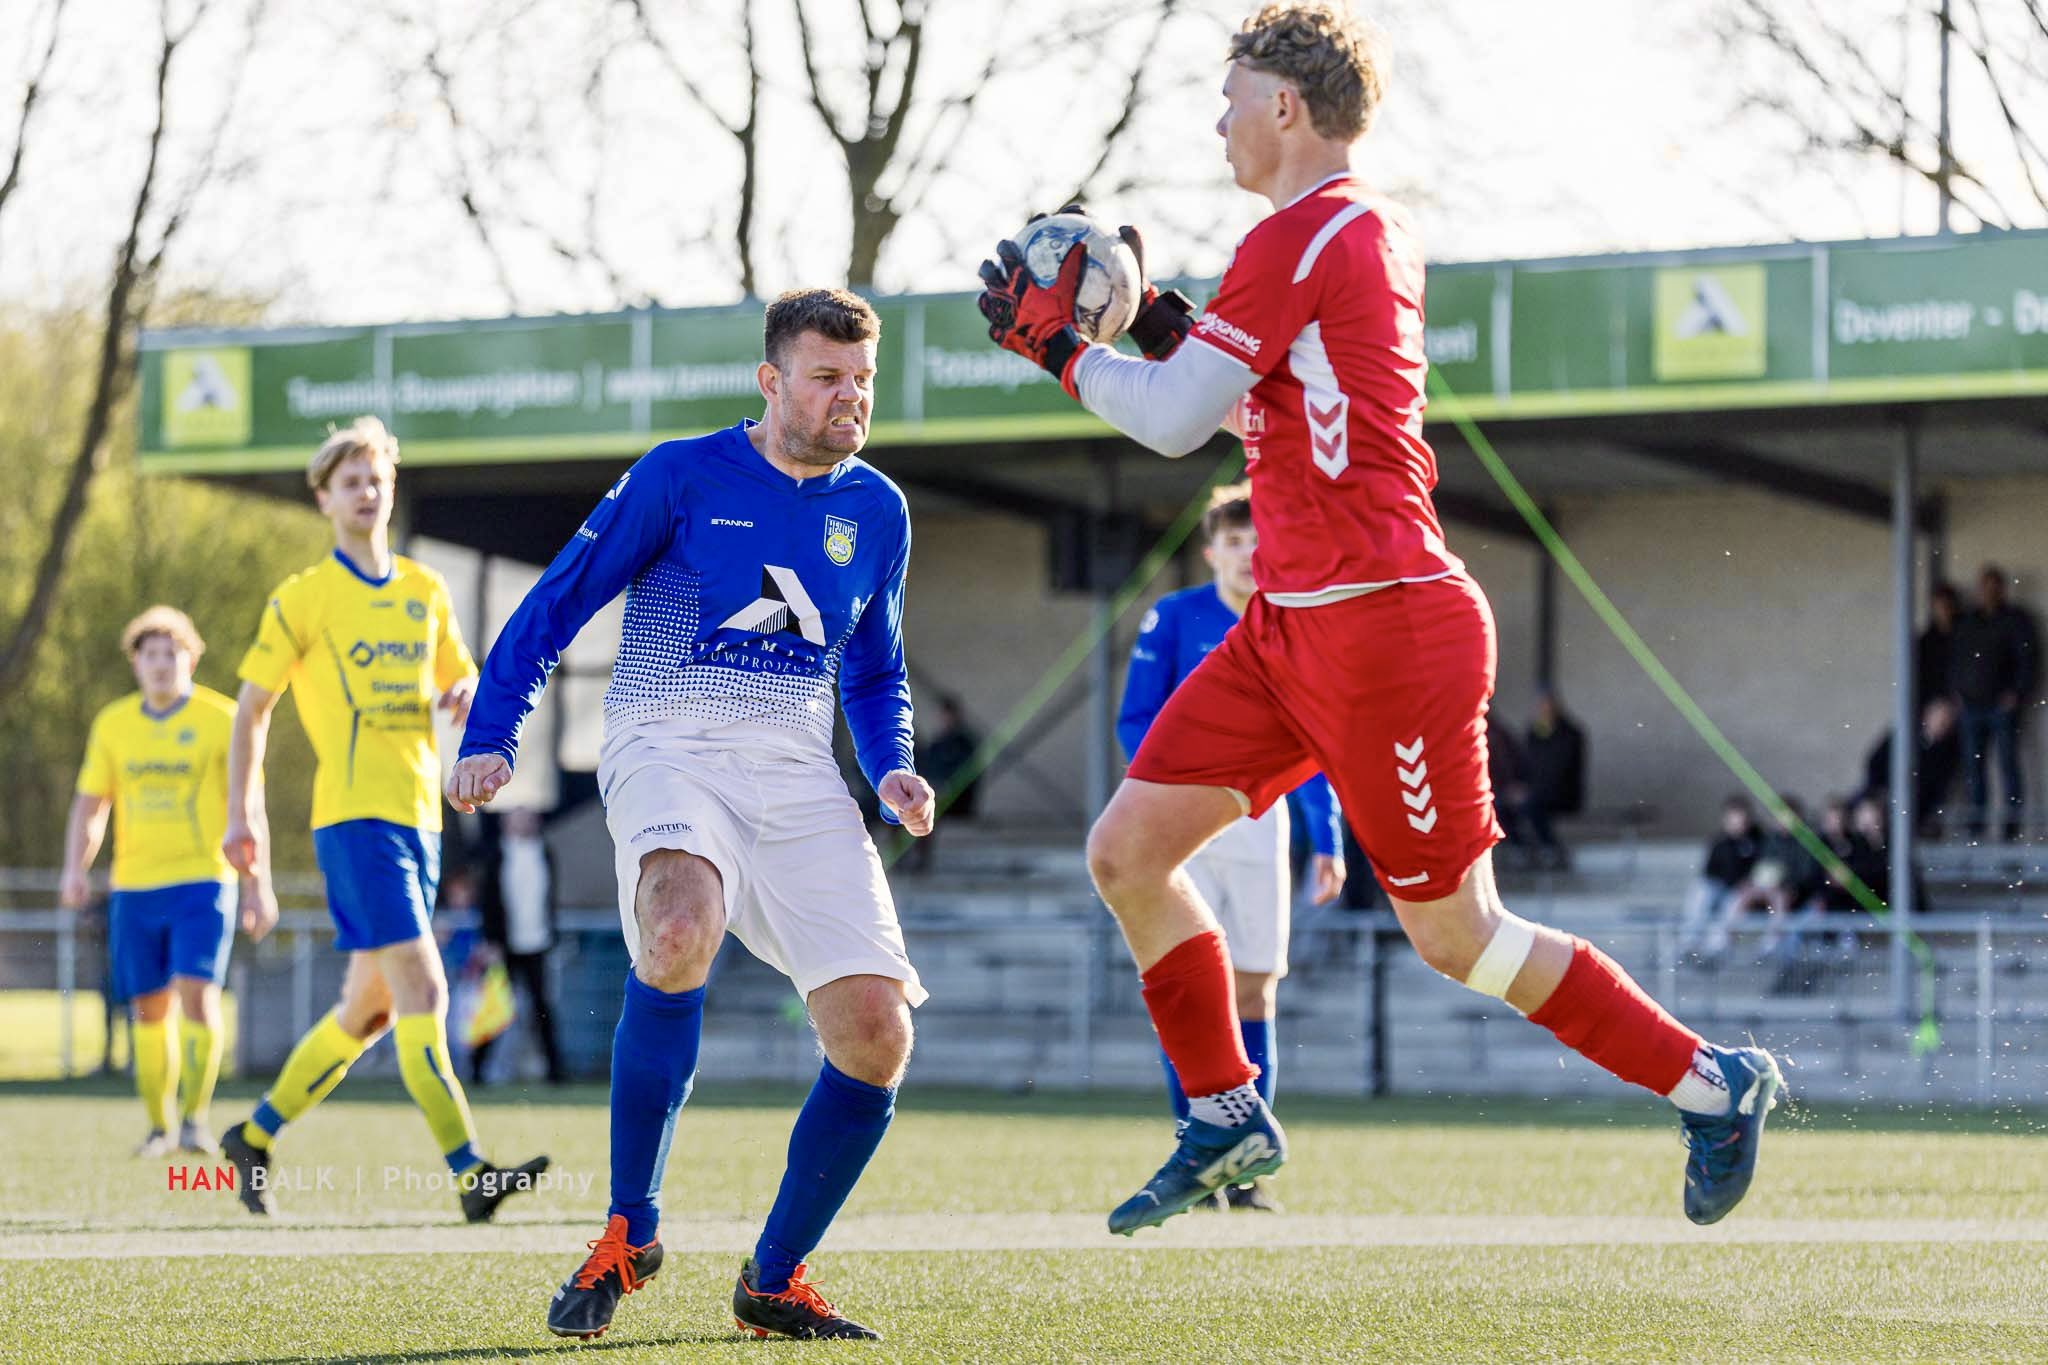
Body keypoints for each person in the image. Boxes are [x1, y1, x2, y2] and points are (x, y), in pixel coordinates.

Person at [976, 0, 1780, 1236]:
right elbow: (1263, 392)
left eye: (1231, 96)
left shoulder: (1306, 232)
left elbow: (1179, 418)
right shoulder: (1332, 231)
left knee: (1458, 937)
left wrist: (1058, 352)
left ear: (1285, 107)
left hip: (1382, 631)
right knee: (1125, 852)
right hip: (1294, 628)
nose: (1218, 120)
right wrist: (1148, 322)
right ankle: (1222, 1111)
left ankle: (1710, 1085)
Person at [448, 289, 935, 1343]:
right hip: (668, 741)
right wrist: (492, 732)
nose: (848, 399)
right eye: (824, 378)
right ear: (769, 381)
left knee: (876, 1035)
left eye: (861, 381)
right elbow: (556, 603)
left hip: (799, 769)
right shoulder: (679, 475)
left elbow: (876, 667)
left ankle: (773, 1276)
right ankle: (630, 1226)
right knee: (677, 930)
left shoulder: (879, 509)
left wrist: (891, 766)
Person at [215, 416, 548, 1221]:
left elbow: (459, 679)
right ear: (324, 497)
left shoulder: (425, 591)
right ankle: (471, 1173)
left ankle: (253, 1137)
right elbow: (251, 710)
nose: (366, 492)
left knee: (367, 1009)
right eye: (350, 482)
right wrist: (241, 815)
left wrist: (464, 696)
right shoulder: (304, 596)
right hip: (354, 820)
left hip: (419, 820)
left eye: (377, 479)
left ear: (391, 491)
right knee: (424, 985)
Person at [1116, 483, 1346, 1214]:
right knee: (1191, 985)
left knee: (1254, 988)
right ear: (1212, 550)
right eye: (1237, 542)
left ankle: (1245, 1173)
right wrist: (1156, 804)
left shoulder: (1293, 624)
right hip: (1182, 823)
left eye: (1262, 541)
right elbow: (1136, 720)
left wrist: (1327, 837)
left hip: (1261, 825)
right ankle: (1197, 1145)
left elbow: (1313, 741)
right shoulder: (1176, 616)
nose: (1251, 555)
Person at [60, 607, 258, 1157]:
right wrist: (75, 868)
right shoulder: (113, 723)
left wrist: (257, 884)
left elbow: (249, 806)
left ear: (191, 658)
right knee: (148, 1008)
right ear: (136, 664)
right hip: (134, 888)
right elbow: (90, 805)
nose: (162, 664)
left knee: (197, 996)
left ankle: (195, 1122)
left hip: (203, 882)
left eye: (172, 653)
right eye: (150, 654)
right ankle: (158, 1128)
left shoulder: (224, 718)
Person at [470, 807, 568, 1086]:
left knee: (542, 1008)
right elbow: (487, 902)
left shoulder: (543, 852)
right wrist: (490, 941)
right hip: (503, 946)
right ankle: (477, 1070)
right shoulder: (497, 855)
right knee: (494, 1008)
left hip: (537, 942)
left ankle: (555, 1071)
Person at [1951, 564, 2038, 840]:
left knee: (2007, 766)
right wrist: (1957, 693)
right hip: (1971, 706)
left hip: (2001, 707)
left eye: (1993, 586)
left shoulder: (2016, 620)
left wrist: (2017, 693)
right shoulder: (1968, 622)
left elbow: (2029, 660)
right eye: (1984, 587)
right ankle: (1976, 828)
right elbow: (1955, 659)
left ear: (2002, 589)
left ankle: (2010, 831)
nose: (1988, 593)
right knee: (1974, 768)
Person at [1857, 696, 1961, 837]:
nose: (1942, 723)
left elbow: (1936, 789)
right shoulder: (1903, 734)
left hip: (1915, 807)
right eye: (1940, 717)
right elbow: (1874, 762)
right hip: (1882, 794)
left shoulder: (1948, 754)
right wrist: (1877, 794)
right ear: (1927, 716)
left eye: (1947, 720)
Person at [1676, 796, 1761, 956]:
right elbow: (1709, 872)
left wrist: (1746, 881)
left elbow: (1759, 869)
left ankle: (1717, 946)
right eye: (1732, 820)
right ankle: (1689, 940)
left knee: (1734, 901)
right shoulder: (1719, 842)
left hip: (1742, 890)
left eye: (1739, 820)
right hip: (1721, 886)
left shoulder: (1757, 840)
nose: (1736, 825)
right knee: (1700, 891)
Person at [1520, 691, 1586, 867]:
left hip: (1561, 794)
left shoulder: (1569, 734)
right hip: (1537, 793)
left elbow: (1559, 771)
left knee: (1531, 806)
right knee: (1504, 807)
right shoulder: (1535, 733)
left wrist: (1531, 791)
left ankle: (1552, 849)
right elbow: (1527, 766)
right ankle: (1521, 849)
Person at [1917, 582, 1959, 714]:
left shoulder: (1965, 637)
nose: (1944, 611)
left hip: (1957, 704)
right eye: (1940, 606)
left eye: (1947, 606)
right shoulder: (1926, 640)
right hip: (1930, 704)